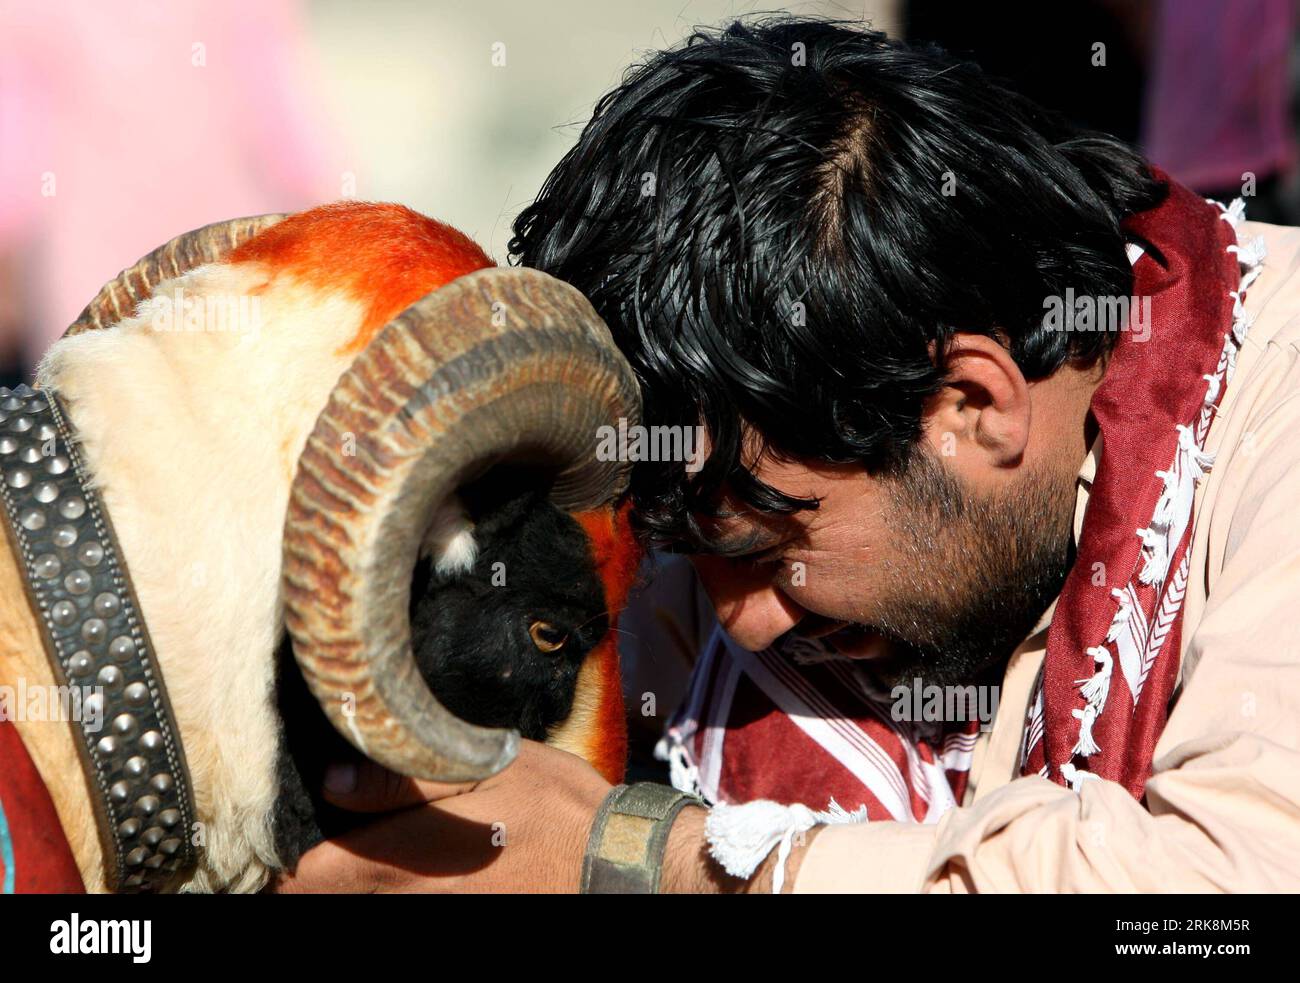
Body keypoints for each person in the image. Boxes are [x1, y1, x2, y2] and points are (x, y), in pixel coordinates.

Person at [278, 17, 1300, 893]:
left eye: (771, 549)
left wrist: (659, 860)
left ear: (976, 405)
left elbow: (1225, 889)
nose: (741, 623)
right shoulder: (728, 491)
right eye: (696, 556)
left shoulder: (1272, 421)